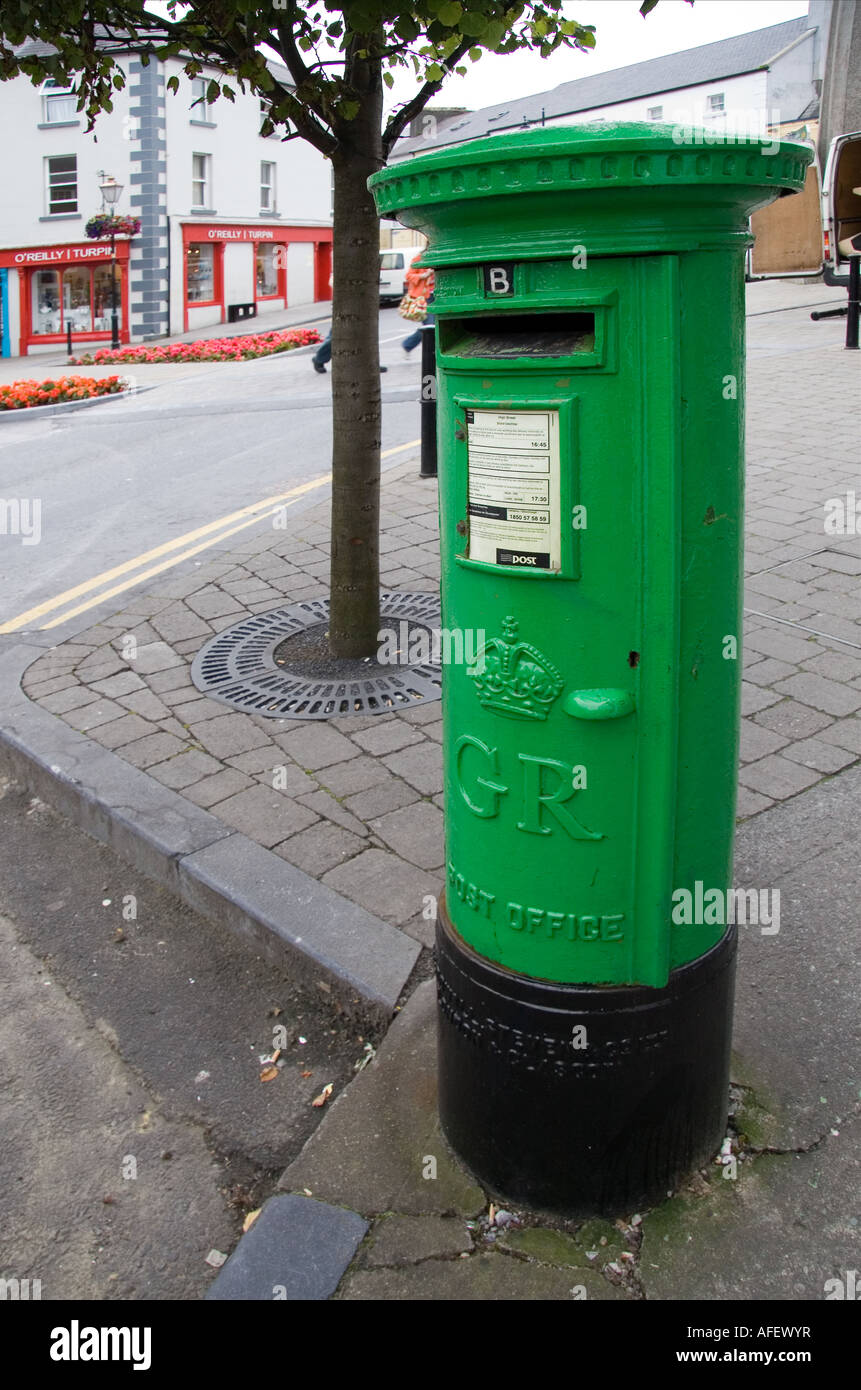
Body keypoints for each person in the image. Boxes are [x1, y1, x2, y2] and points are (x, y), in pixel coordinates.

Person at [313, 271, 387, 372]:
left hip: (363, 303)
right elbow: (333, 282)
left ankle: (370, 364)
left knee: (366, 335)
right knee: (337, 336)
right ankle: (319, 359)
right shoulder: (344, 264)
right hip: (344, 306)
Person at [402, 260, 435, 355]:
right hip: (424, 297)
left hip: (437, 296)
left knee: (433, 326)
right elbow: (409, 276)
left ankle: (408, 345)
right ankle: (408, 345)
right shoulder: (419, 259)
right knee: (430, 326)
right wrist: (424, 275)